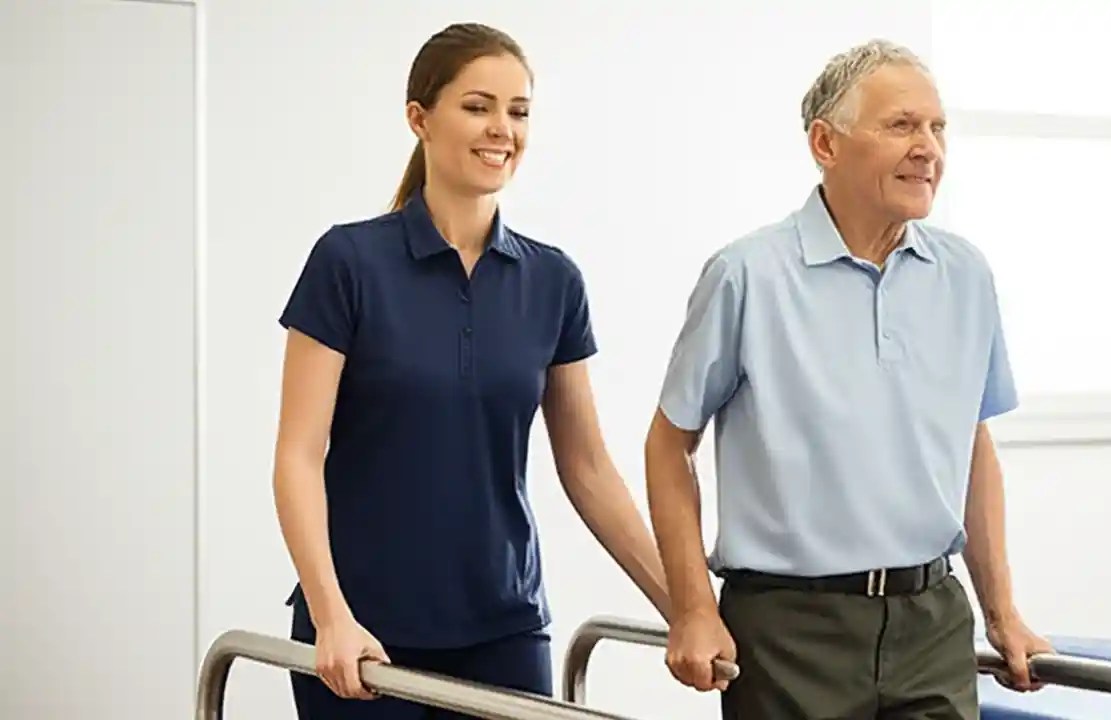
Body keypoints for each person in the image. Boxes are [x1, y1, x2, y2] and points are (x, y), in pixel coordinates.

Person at [645, 39, 1054, 720]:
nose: (928, 147)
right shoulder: (747, 275)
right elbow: (667, 445)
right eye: (901, 126)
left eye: (937, 127)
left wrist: (1002, 611)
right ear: (825, 144)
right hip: (788, 630)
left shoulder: (966, 276)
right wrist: (691, 607)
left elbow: (972, 448)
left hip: (932, 623)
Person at [271, 22, 669, 719]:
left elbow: (589, 469)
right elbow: (298, 456)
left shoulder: (553, 281)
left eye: (518, 111)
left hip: (503, 630)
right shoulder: (348, 264)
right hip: (362, 634)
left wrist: (687, 606)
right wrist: (330, 614)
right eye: (478, 106)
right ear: (418, 118)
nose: (502, 129)